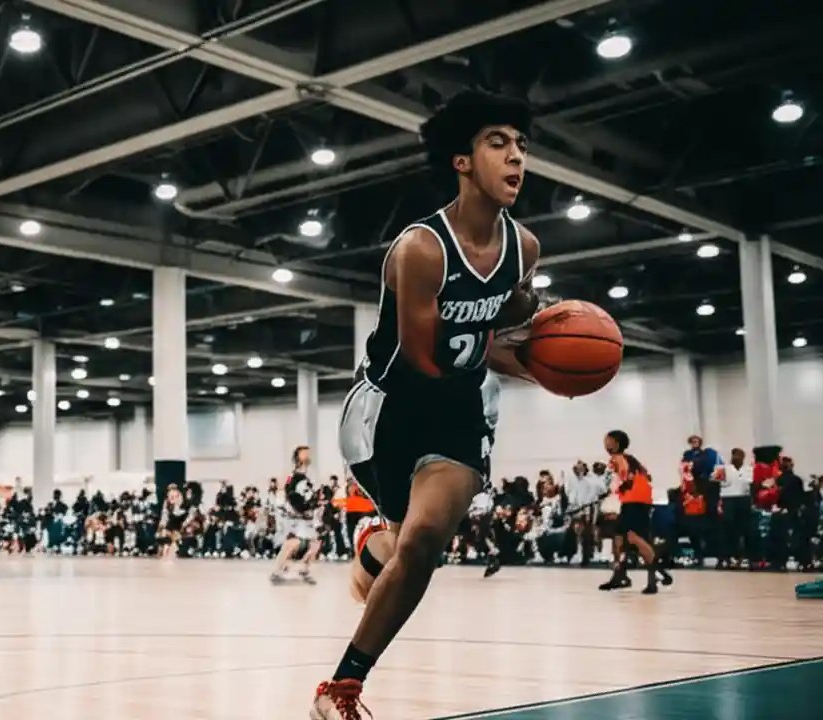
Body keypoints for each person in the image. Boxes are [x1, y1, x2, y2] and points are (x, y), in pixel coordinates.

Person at [317, 90, 544, 719]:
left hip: (458, 407)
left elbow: (483, 344)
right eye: (499, 142)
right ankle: (374, 547)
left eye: (522, 146)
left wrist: (540, 362)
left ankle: (339, 690)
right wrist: (511, 337)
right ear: (462, 160)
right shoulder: (420, 249)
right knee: (405, 548)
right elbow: (425, 356)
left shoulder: (523, 248)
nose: (516, 157)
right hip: (390, 409)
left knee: (422, 548)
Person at [598, 430, 674, 594]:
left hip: (635, 503)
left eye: (609, 441)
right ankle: (620, 576)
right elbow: (648, 478)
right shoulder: (632, 460)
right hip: (636, 502)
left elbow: (626, 476)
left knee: (635, 539)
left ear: (617, 444)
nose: (606, 444)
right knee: (619, 539)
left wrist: (622, 484)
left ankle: (653, 578)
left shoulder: (617, 459)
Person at [271, 446, 322, 584]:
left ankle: (303, 570)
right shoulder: (291, 476)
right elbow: (290, 493)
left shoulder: (307, 476)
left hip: (307, 516)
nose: (308, 455)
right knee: (292, 544)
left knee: (315, 544)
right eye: (304, 453)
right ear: (298, 456)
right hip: (296, 516)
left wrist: (315, 503)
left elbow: (310, 494)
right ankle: (277, 571)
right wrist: (299, 509)